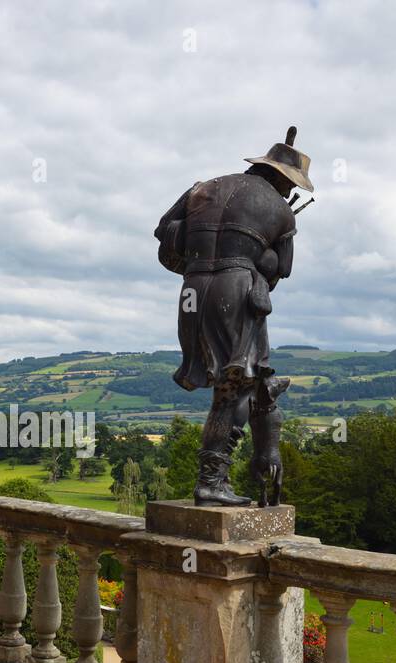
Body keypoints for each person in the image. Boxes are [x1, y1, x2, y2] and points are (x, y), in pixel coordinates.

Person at [155, 126, 311, 506]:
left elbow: (164, 231)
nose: (291, 195)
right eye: (291, 188)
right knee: (235, 386)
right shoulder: (282, 212)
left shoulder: (202, 188)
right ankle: (211, 480)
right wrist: (261, 246)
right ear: (284, 180)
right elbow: (279, 271)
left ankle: (218, 476)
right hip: (235, 288)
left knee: (240, 382)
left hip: (192, 290)